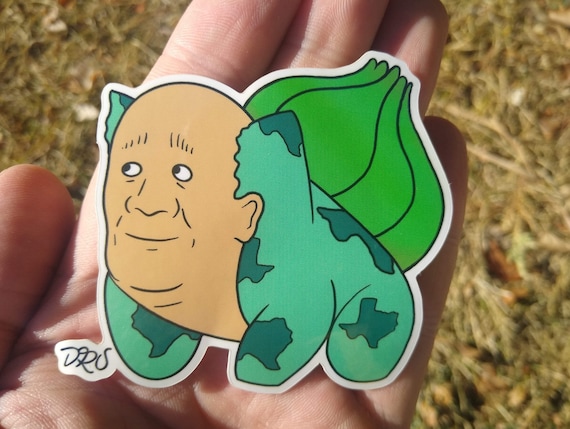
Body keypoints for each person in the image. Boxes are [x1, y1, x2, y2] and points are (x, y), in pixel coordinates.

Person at [0, 0, 467, 427]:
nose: (147, 200)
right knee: (153, 335)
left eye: (182, 174)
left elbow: (303, 303)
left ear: (249, 211)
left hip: (351, 290)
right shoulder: (131, 269)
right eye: (131, 169)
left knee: (360, 351)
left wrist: (267, 355)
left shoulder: (281, 267)